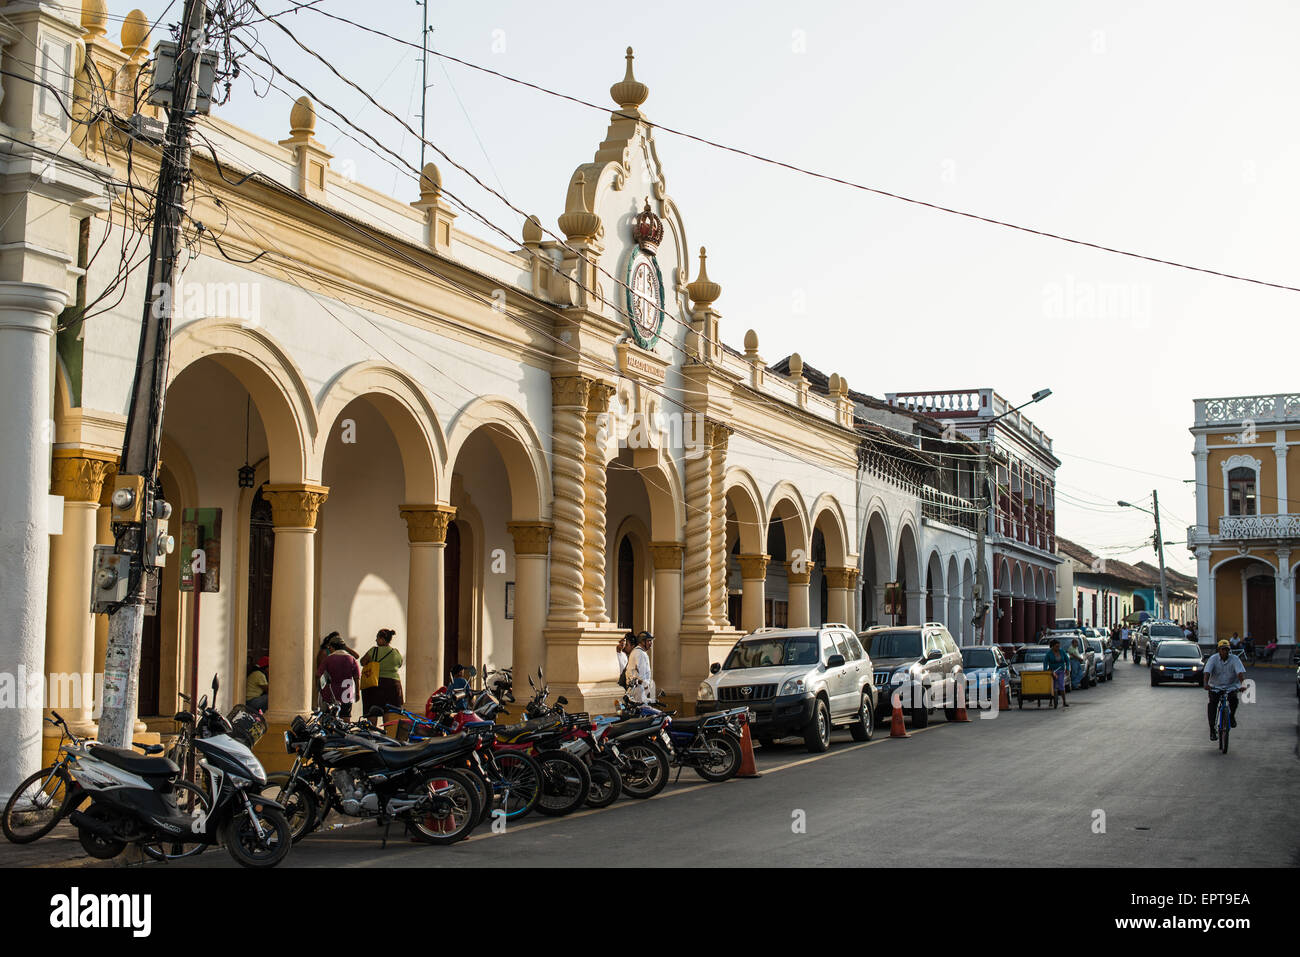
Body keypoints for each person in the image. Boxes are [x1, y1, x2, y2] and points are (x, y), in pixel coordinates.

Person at [360, 628, 404, 734]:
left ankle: (371, 735)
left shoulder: (374, 651)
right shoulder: (396, 653)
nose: (376, 641)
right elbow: (399, 664)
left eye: (377, 638)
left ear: (382, 639)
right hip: (393, 685)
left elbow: (362, 661)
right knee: (389, 712)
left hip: (374, 683)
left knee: (372, 712)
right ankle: (389, 735)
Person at [1203, 639, 1246, 740]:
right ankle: (1212, 729)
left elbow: (1239, 673)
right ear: (1219, 650)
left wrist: (1243, 684)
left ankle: (1231, 716)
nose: (1225, 651)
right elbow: (1207, 673)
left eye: (1227, 649)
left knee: (1234, 701)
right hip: (1215, 687)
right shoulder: (1213, 659)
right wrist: (1206, 684)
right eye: (1223, 649)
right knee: (1212, 705)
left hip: (1231, 686)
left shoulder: (1235, 659)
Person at [317, 634, 361, 718]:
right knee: (346, 717)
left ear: (333, 647)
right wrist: (357, 693)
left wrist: (322, 688)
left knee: (331, 718)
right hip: (347, 694)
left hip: (331, 694)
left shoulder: (328, 659)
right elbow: (356, 677)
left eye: (330, 647)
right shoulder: (351, 659)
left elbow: (318, 674)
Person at [1042, 638, 1078, 707]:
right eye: (1056, 646)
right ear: (1052, 646)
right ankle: (1051, 701)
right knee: (1052, 686)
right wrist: (1045, 671)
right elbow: (1045, 662)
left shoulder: (1062, 651)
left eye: (1059, 646)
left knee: (1061, 686)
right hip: (1052, 671)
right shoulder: (1049, 653)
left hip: (1061, 671)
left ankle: (1064, 701)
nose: (1058, 648)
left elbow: (1067, 660)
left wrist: (1067, 669)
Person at [625, 632, 654, 704]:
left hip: (638, 688)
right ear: (642, 641)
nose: (651, 643)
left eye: (651, 641)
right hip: (638, 688)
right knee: (642, 711)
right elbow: (640, 675)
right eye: (648, 641)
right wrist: (646, 687)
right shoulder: (639, 653)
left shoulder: (639, 652)